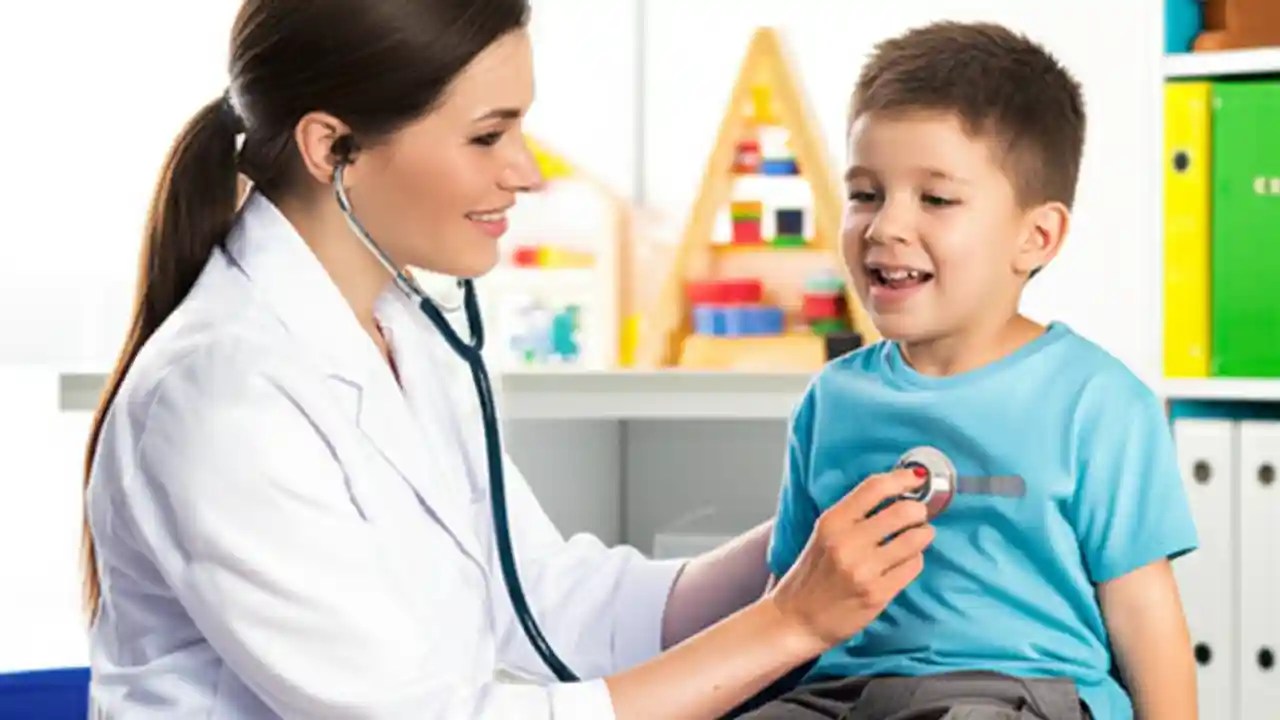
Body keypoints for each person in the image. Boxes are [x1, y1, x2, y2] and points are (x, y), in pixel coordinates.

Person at [79, 2, 939, 718]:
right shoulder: (220, 398)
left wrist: (811, 529)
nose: (525, 172)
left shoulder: (406, 333)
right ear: (330, 148)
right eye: (488, 136)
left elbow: (552, 601)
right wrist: (792, 623)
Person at [744, 21, 1200, 720]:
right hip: (842, 697)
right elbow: (788, 602)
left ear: (1035, 236)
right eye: (866, 193)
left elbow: (1146, 616)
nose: (885, 227)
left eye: (935, 199)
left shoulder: (1098, 404)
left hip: (1018, 697)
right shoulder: (832, 399)